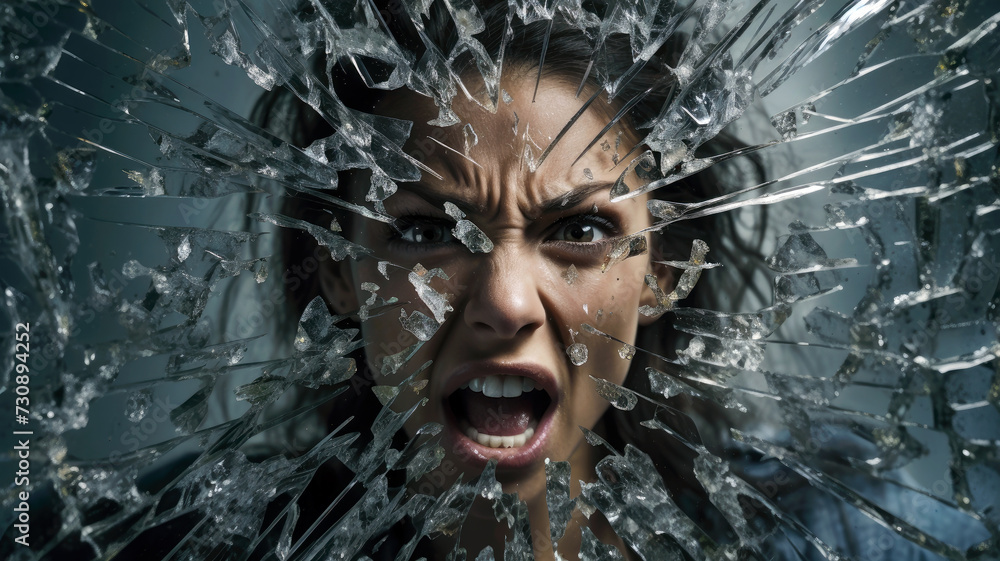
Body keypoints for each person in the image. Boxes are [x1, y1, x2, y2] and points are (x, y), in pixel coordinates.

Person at [254, 1, 767, 558]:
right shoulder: (200, 542)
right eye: (426, 233)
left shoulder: (819, 534)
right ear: (337, 266)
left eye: (583, 230)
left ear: (662, 268)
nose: (507, 303)